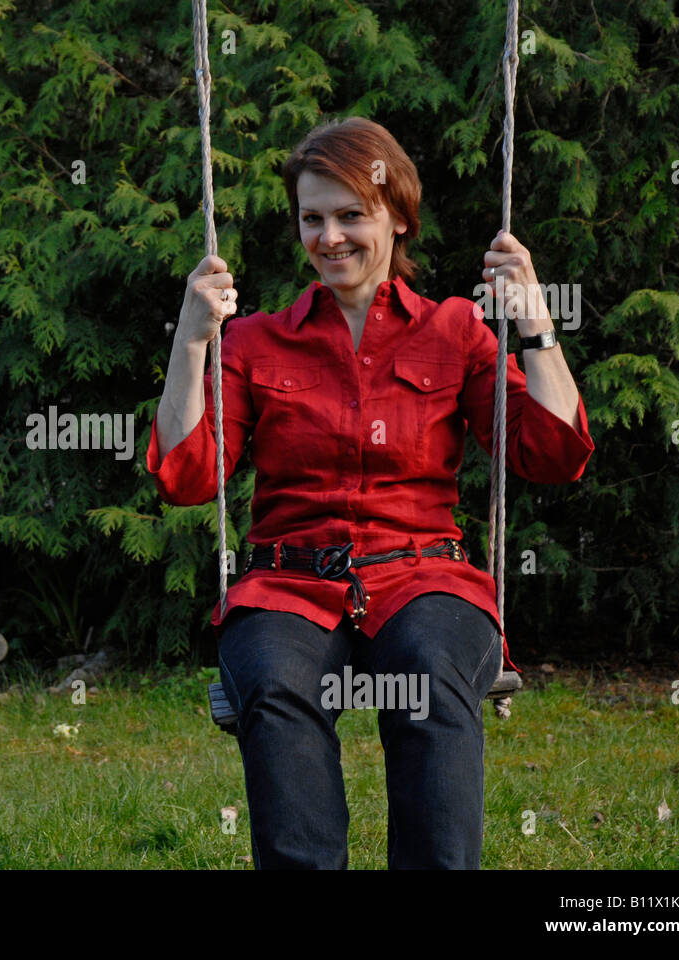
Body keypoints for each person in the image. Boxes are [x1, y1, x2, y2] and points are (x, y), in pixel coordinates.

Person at [146, 117, 594, 869]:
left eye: (351, 215)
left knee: (428, 668)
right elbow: (188, 476)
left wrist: (536, 324)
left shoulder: (454, 331)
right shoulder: (256, 341)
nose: (330, 237)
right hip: (288, 583)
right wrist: (192, 340)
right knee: (277, 681)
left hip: (424, 577)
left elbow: (551, 453)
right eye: (312, 218)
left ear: (397, 217)